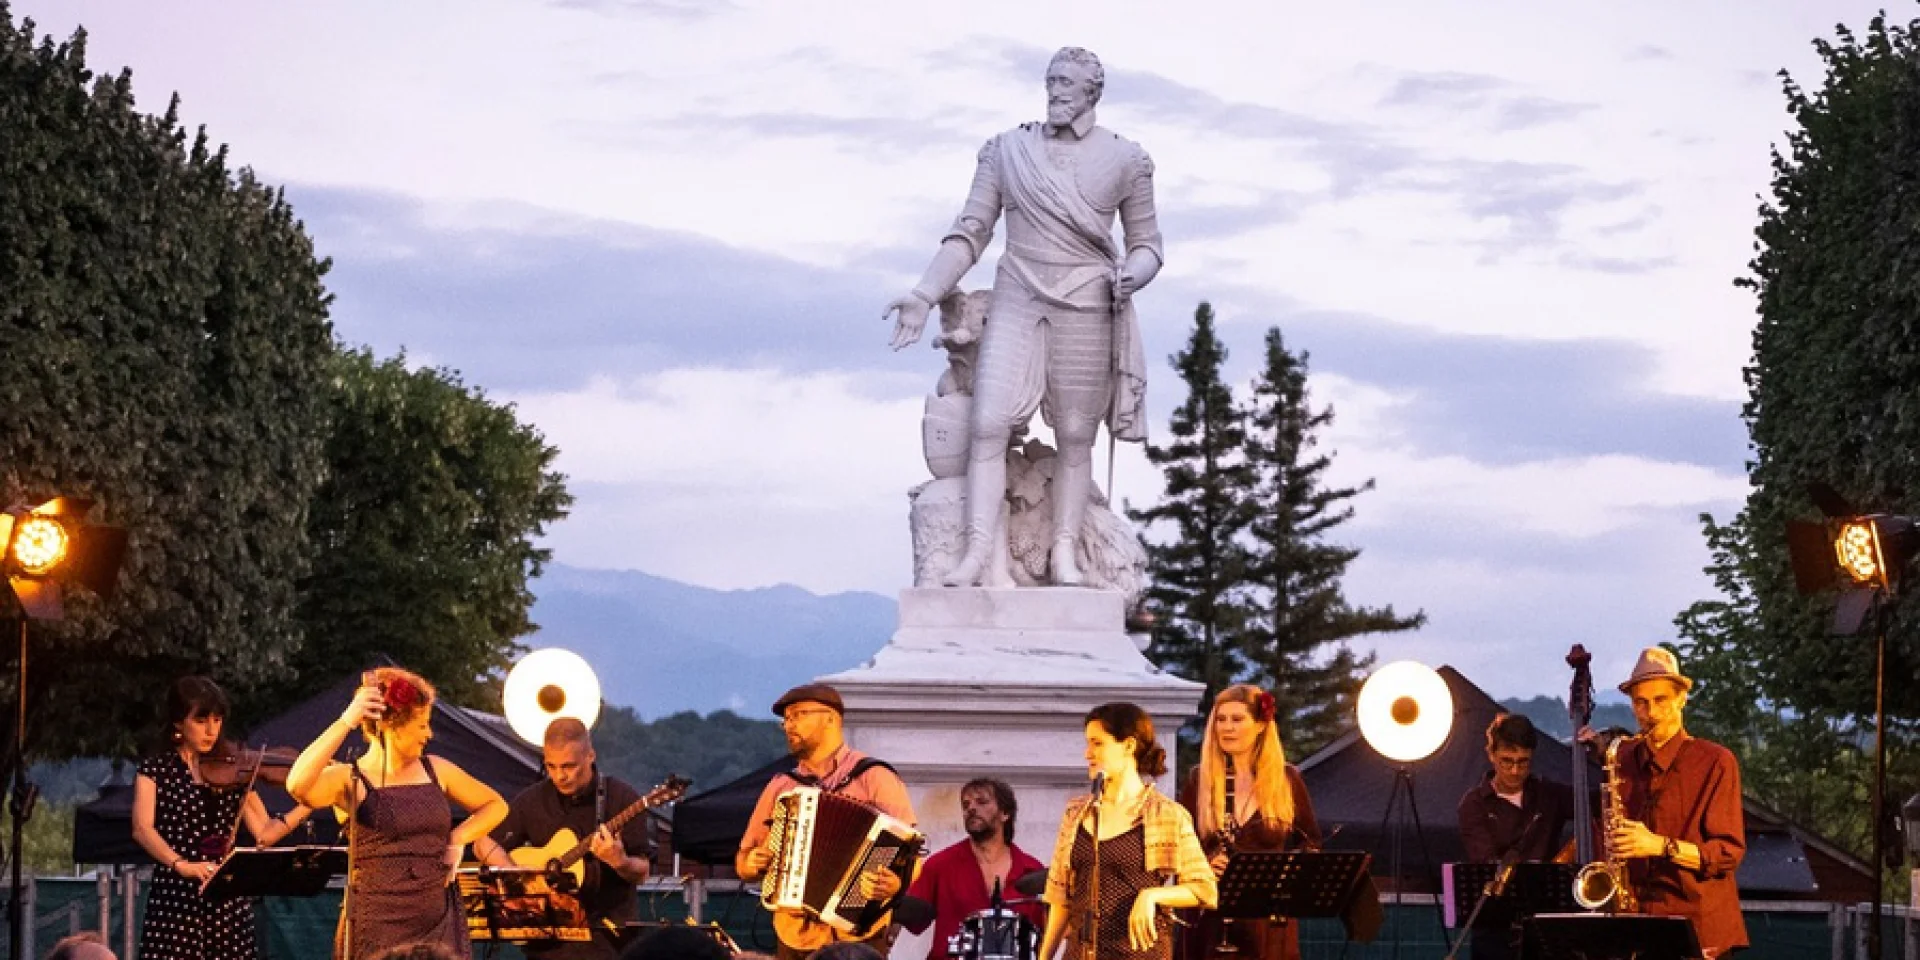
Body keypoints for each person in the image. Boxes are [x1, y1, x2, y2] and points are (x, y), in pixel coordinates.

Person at [884, 45, 1164, 588]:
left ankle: (1063, 554)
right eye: (1051, 81)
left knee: (1077, 434)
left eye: (1067, 83)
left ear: (1091, 93)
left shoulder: (1127, 160)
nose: (1056, 91)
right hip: (1019, 295)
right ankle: (977, 553)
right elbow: (969, 232)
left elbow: (1149, 243)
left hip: (1086, 302)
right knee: (988, 423)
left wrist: (1135, 272)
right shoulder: (1007, 151)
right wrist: (924, 293)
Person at [287, 666, 508, 960]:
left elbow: (496, 805)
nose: (428, 734)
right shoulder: (350, 779)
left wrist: (458, 838)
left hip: (435, 918)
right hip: (374, 923)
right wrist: (346, 720)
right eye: (421, 725)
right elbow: (297, 785)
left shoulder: (436, 769)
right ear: (391, 725)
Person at [131, 676, 314, 960]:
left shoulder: (233, 769)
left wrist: (309, 805)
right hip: (175, 899)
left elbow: (264, 833)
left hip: (227, 901)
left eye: (217, 721)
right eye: (201, 721)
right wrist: (181, 865)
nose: (211, 731)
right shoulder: (156, 770)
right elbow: (142, 829)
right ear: (178, 723)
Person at [736, 683, 918, 959]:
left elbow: (910, 854)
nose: (788, 726)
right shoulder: (781, 786)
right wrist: (751, 863)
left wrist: (894, 884)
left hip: (860, 932)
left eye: (798, 715)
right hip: (796, 933)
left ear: (831, 718)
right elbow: (743, 860)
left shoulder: (875, 777)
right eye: (786, 720)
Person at [1040, 702, 1215, 960]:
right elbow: (1059, 898)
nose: (1088, 753)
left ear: (1129, 746)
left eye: (1098, 743)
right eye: (1088, 744)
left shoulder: (1166, 814)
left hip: (1138, 954)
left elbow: (1205, 889)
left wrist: (1153, 895)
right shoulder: (1076, 813)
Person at [1606, 647, 1747, 958]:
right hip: (1637, 925)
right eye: (1641, 703)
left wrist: (1660, 846)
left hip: (1698, 929)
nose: (1651, 713)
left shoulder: (1716, 761)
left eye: (1661, 701)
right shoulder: (1623, 759)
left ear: (1682, 699)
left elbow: (1727, 854)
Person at [472, 718, 652, 960]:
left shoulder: (622, 799)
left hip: (606, 943)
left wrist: (620, 861)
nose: (559, 776)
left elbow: (642, 872)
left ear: (590, 756)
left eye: (569, 766)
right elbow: (484, 842)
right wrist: (516, 876)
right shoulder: (532, 799)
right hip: (546, 945)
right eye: (551, 766)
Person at [1177, 685, 1321, 960]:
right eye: (1221, 719)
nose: (1226, 728)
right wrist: (1205, 864)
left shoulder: (1287, 779)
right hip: (1211, 916)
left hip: (1267, 919)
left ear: (1260, 726)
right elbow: (1179, 849)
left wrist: (1281, 871)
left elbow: (1311, 843)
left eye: (1237, 719)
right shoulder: (1199, 781)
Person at [1455, 713, 1574, 960]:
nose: (1515, 770)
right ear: (1491, 755)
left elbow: (1597, 804)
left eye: (1523, 762)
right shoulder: (1474, 804)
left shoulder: (1549, 794)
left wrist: (1597, 755)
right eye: (1506, 761)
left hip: (1544, 925)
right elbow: (1485, 860)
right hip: (1494, 930)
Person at [903, 778, 1046, 959]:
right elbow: (915, 922)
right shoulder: (940, 865)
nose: (971, 808)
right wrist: (893, 894)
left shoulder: (1032, 870)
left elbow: (1044, 938)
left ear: (1005, 813)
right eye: (966, 804)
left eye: (982, 802)